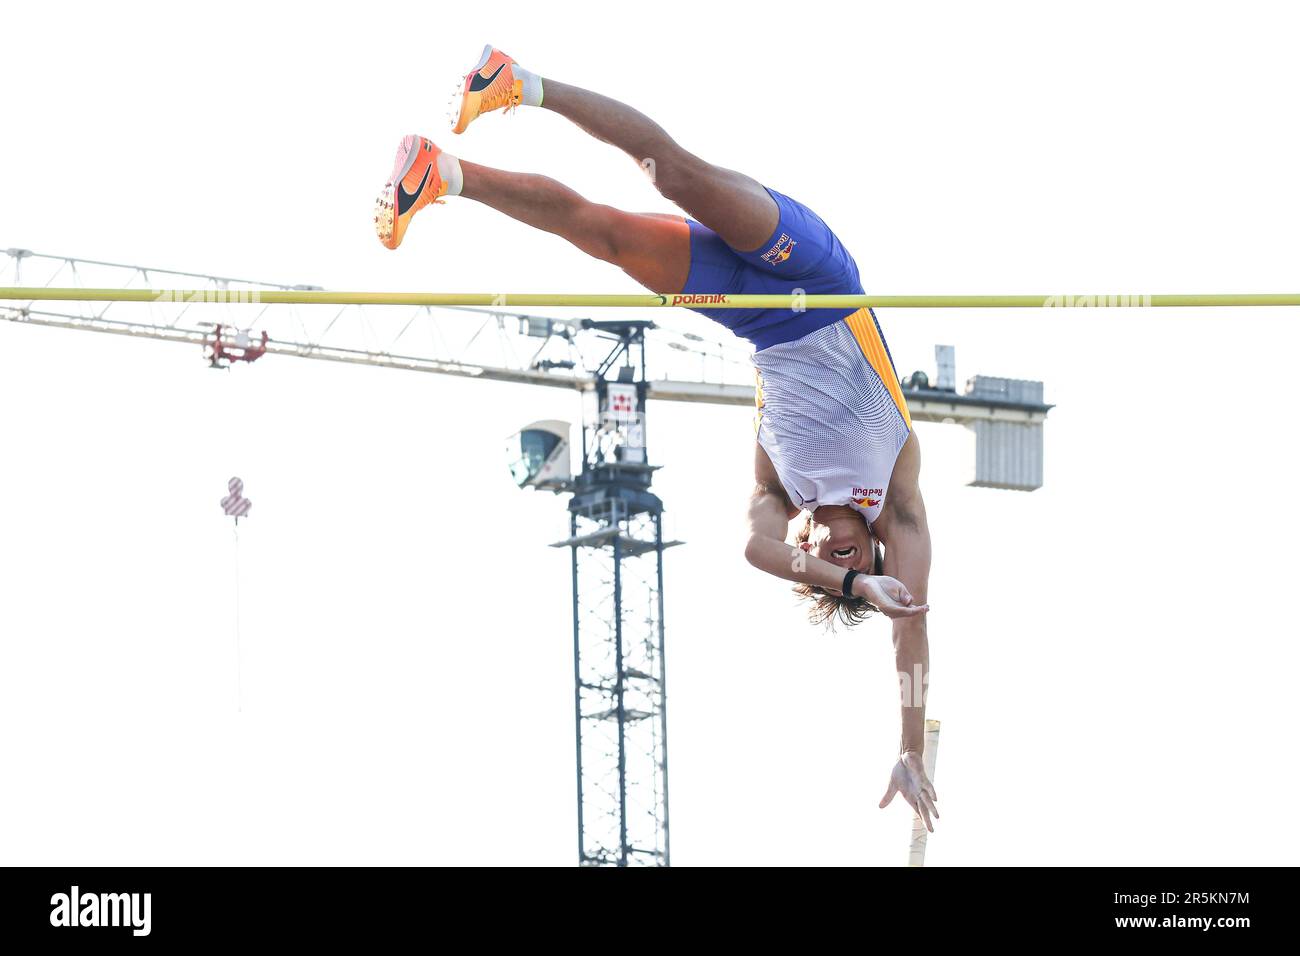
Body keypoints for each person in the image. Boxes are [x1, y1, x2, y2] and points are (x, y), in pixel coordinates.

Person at [375, 46, 938, 831]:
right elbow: (910, 634)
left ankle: (443, 176)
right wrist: (909, 743)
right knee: (673, 173)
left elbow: (755, 551)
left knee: (601, 235)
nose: (835, 553)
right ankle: (516, 84)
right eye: (853, 561)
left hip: (757, 320)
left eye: (821, 562)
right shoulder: (899, 501)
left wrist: (836, 583)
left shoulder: (775, 493)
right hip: (821, 279)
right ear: (876, 550)